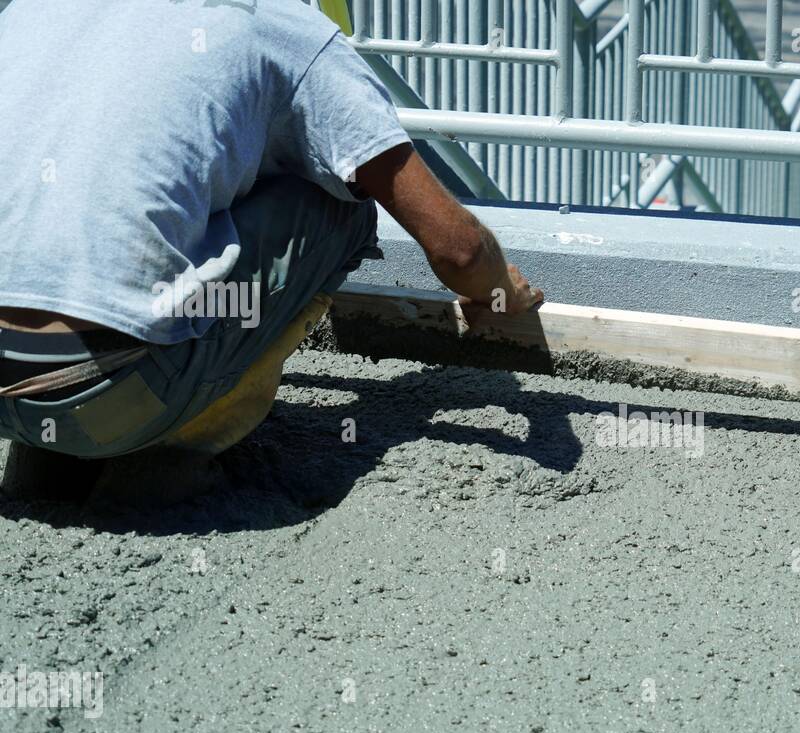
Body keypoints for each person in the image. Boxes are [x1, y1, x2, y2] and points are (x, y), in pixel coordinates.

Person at [0, 0, 541, 498]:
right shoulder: (279, 26)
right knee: (342, 200)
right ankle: (179, 445)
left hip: (7, 393)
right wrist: (502, 293)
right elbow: (459, 251)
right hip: (118, 395)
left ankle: (48, 454)